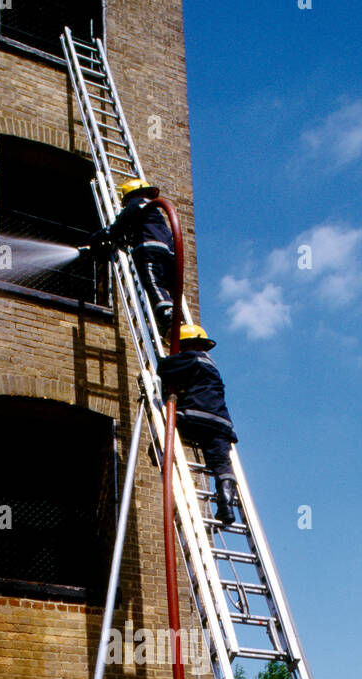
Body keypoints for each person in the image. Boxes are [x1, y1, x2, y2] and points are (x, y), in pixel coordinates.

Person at [155, 324, 239, 526]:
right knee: (222, 465)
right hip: (221, 425)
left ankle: (174, 492)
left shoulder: (192, 357)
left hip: (194, 418)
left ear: (189, 344)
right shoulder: (211, 363)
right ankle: (226, 507)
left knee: (160, 442)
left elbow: (164, 368)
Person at [92, 178, 176, 336]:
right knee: (169, 286)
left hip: (149, 249)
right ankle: (178, 316)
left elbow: (117, 228)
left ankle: (168, 316)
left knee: (153, 281)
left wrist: (99, 236)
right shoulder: (154, 210)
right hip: (169, 253)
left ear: (130, 196)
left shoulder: (135, 204)